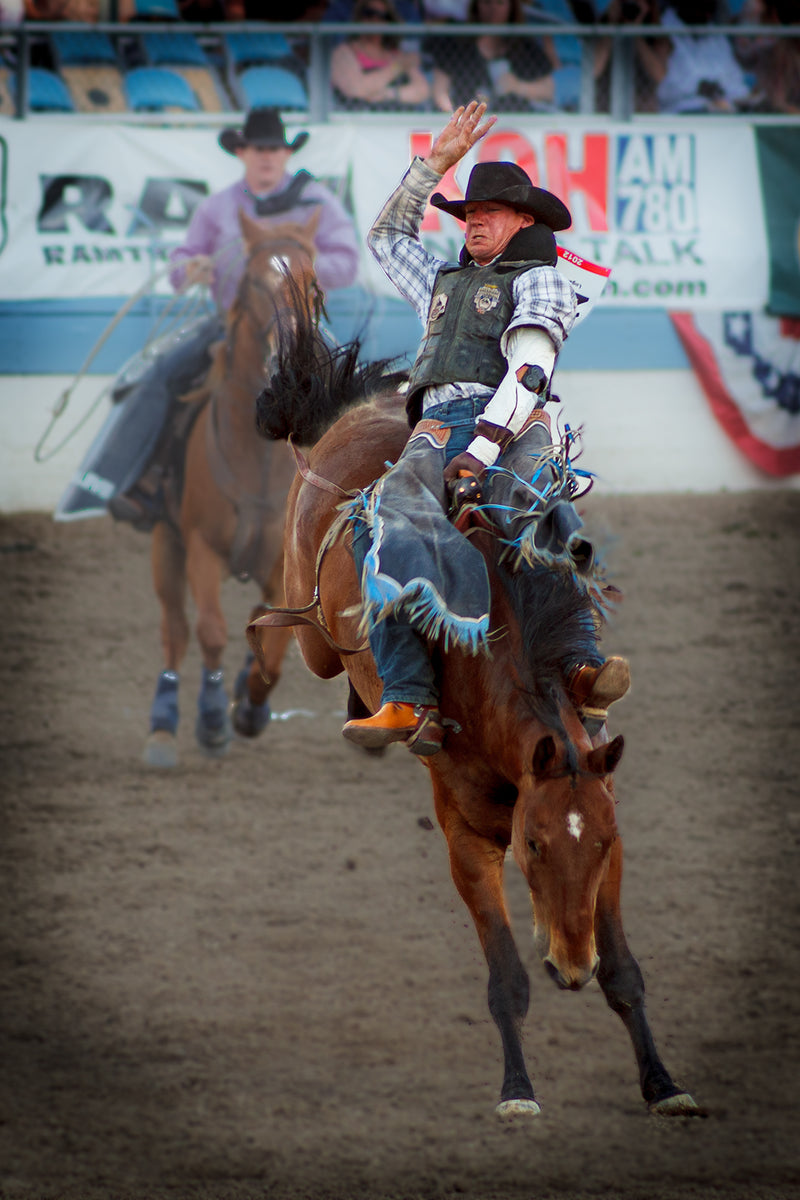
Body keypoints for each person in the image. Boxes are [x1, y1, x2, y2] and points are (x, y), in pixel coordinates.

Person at [341, 100, 630, 755]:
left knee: (529, 509)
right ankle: (409, 696)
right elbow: (387, 240)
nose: (473, 221)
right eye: (468, 212)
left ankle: (582, 668)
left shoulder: (545, 282)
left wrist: (478, 450)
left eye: (488, 213)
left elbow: (528, 374)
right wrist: (433, 166)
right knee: (379, 521)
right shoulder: (442, 282)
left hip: (509, 424)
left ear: (523, 222)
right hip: (435, 431)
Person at [108, 108, 360, 529]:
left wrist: (300, 268)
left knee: (346, 391)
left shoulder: (318, 203)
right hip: (232, 323)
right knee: (164, 374)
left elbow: (347, 262)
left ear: (286, 153)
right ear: (241, 152)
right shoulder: (217, 207)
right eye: (258, 149)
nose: (267, 157)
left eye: (275, 149)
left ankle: (351, 487)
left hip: (299, 325)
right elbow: (181, 260)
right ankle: (146, 480)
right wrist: (192, 267)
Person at [426, 0, 558, 113]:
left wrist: (518, 86)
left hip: (513, 126)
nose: (493, 9)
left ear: (511, 7)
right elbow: (440, 92)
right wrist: (455, 118)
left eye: (500, 2)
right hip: (469, 126)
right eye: (487, 2)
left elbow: (548, 89)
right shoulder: (458, 45)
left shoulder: (524, 46)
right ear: (477, 5)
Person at [330, 0, 431, 111]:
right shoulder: (344, 52)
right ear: (360, 17)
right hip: (358, 121)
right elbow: (356, 89)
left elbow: (422, 91)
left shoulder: (396, 54)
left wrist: (388, 94)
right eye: (369, 13)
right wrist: (397, 67)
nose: (376, 20)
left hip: (397, 118)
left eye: (383, 16)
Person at [655, 0, 752, 113]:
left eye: (710, 8)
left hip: (720, 115)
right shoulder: (663, 31)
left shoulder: (715, 35)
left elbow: (736, 83)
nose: (707, 14)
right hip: (678, 116)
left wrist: (721, 88)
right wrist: (696, 88)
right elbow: (661, 90)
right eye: (701, 6)